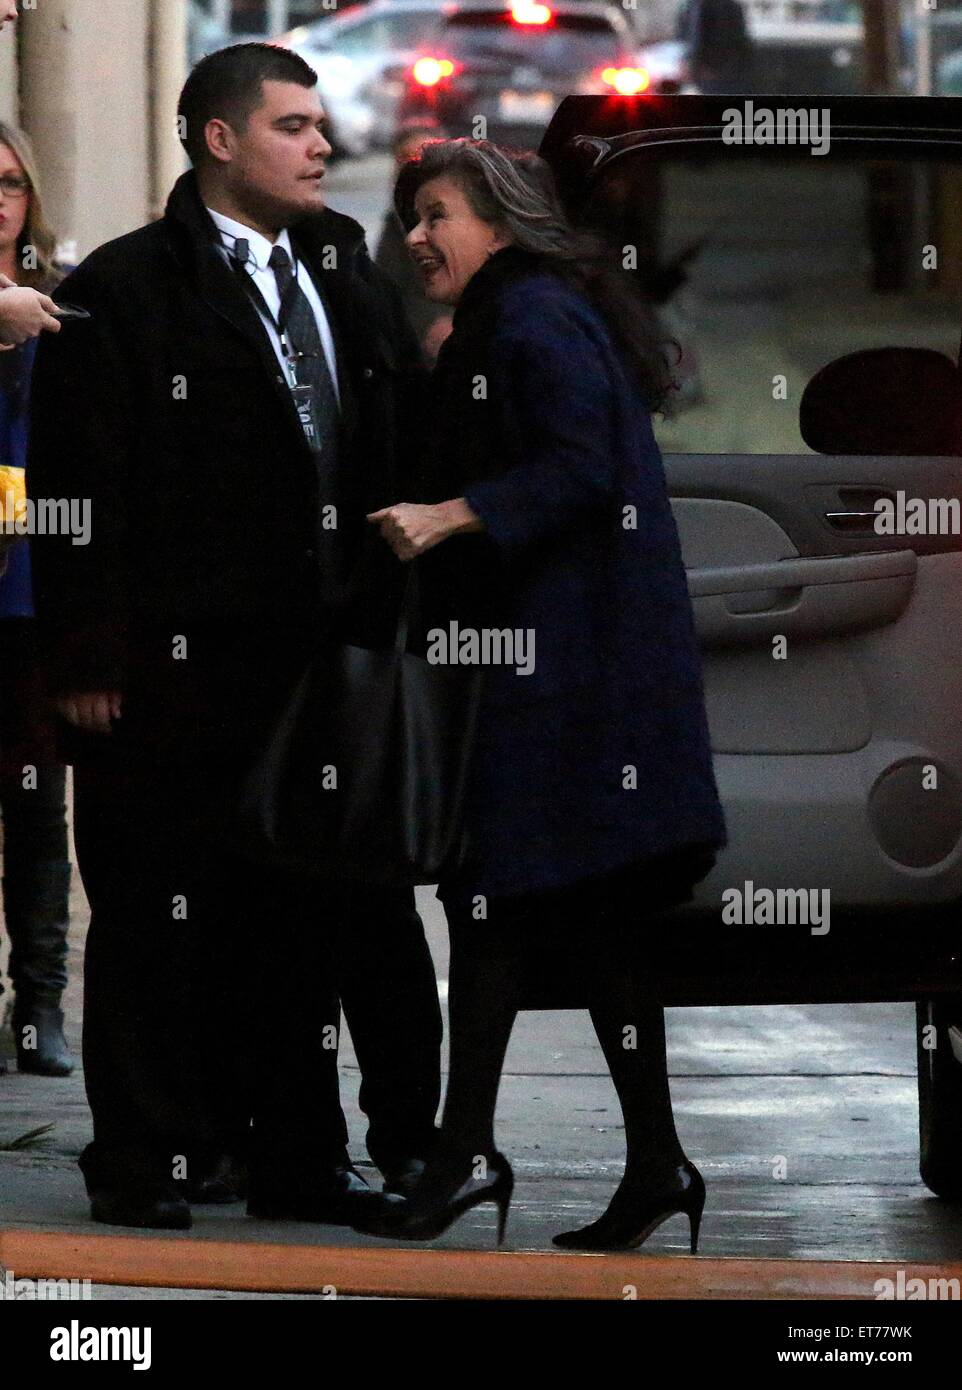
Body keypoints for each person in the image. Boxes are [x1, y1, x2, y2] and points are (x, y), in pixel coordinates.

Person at [28, 43, 441, 1230]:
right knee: (157, 922)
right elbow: (79, 489)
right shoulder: (129, 285)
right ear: (219, 139)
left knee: (291, 927)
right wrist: (90, 659)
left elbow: (382, 436)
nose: (323, 148)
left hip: (310, 671)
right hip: (166, 673)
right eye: (295, 127)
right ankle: (147, 1161)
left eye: (321, 128)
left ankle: (298, 1162)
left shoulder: (338, 268)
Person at [361, 139, 727, 1251]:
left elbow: (579, 467)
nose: (416, 237)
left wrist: (447, 514)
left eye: (435, 215)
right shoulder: (527, 312)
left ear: (501, 222)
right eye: (409, 218)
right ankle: (653, 1163)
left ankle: (464, 1157)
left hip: (565, 679)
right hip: (570, 670)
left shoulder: (527, 318)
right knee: (589, 922)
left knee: (496, 908)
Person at [0, 123, 73, 1079]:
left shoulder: (64, 292)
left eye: (13, 181)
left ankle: (43, 1001)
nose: (0, 198)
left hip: (32, 579)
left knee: (35, 801)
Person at [374, 121, 452, 366]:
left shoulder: (468, 217)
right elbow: (389, 286)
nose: (417, 166)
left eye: (425, 157)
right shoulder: (397, 223)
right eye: (407, 158)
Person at [676, 0, 754, 95]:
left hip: (710, 72)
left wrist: (691, 65)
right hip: (731, 72)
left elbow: (696, 37)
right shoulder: (733, 6)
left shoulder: (700, 6)